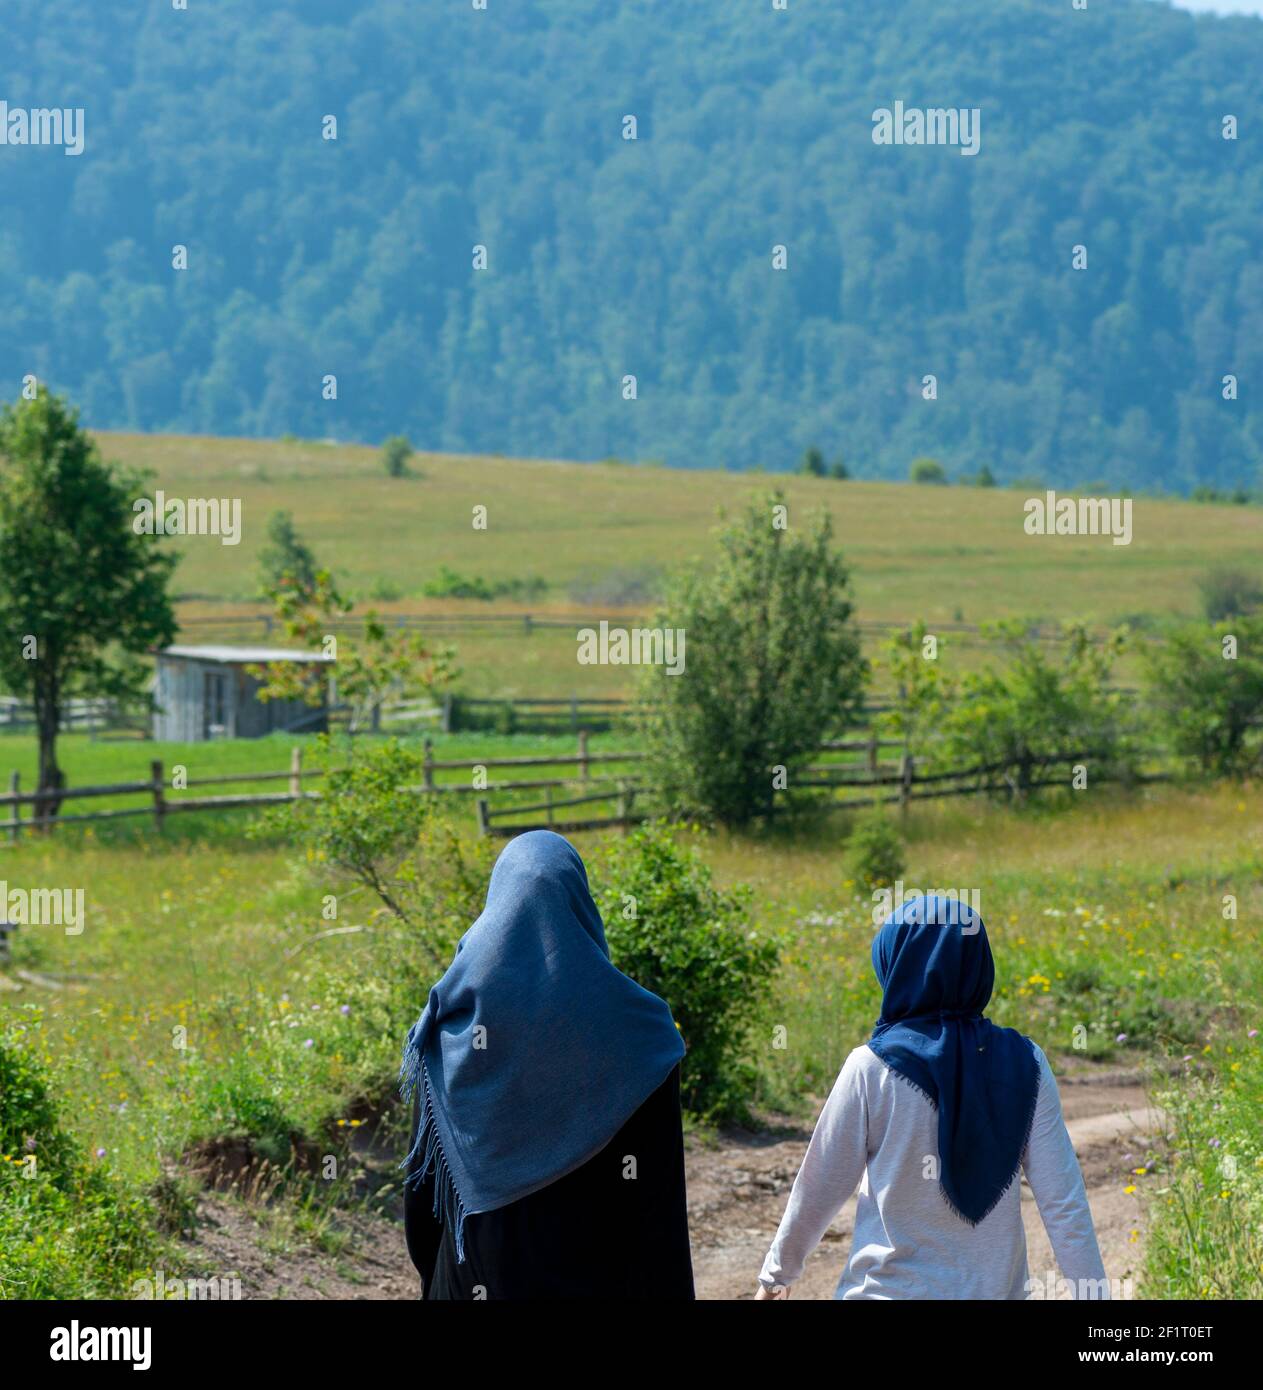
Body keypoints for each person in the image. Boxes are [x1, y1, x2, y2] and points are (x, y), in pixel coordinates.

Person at [756, 893, 1108, 1300]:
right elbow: (1064, 1201)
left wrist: (775, 1279)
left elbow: (818, 1189)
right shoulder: (1026, 1062)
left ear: (896, 964)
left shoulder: (871, 1067)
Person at [400, 829, 695, 1299]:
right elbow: (655, 1204)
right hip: (597, 1281)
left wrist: (435, 1280)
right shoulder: (641, 1036)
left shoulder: (450, 1030)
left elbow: (425, 1199)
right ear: (580, 903)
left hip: (473, 1277)